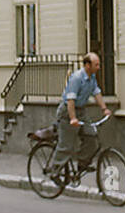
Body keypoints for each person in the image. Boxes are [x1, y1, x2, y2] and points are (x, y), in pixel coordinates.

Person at [47, 52, 110, 180]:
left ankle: (82, 164)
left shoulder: (92, 77)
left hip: (81, 111)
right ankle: (54, 170)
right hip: (67, 112)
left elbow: (96, 92)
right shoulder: (76, 78)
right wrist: (73, 118)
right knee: (66, 145)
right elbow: (70, 100)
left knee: (91, 137)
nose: (99, 67)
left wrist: (104, 109)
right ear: (87, 65)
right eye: (96, 65)